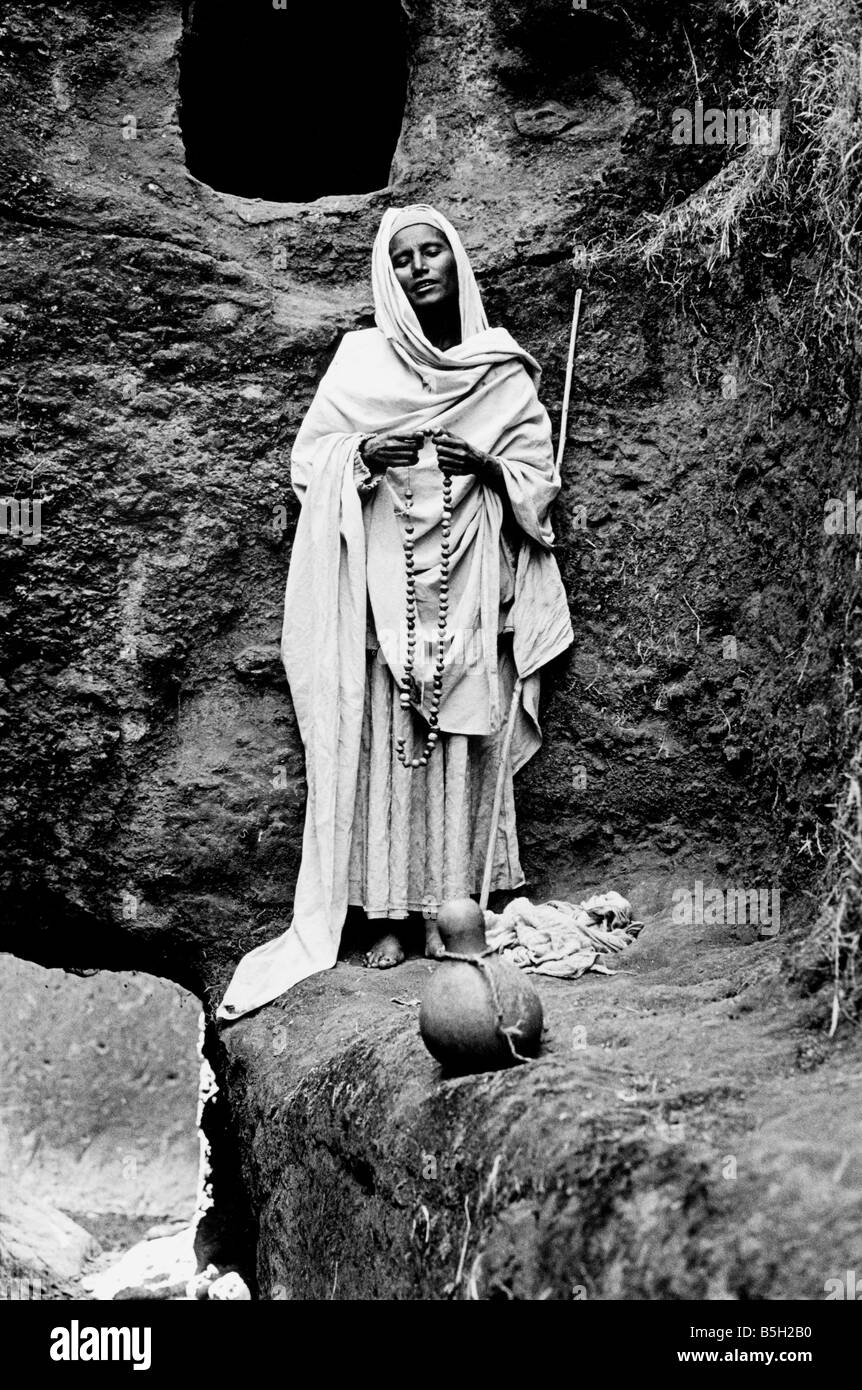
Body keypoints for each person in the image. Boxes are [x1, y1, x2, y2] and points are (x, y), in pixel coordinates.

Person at [218, 204, 572, 1022]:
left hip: (470, 569)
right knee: (388, 726)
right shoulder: (359, 360)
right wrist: (362, 457)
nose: (418, 268)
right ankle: (384, 914)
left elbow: (538, 482)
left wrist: (484, 463)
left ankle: (453, 907)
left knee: (459, 728)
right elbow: (312, 465)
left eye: (432, 252)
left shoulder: (498, 370)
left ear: (456, 263)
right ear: (387, 274)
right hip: (383, 577)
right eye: (402, 257)